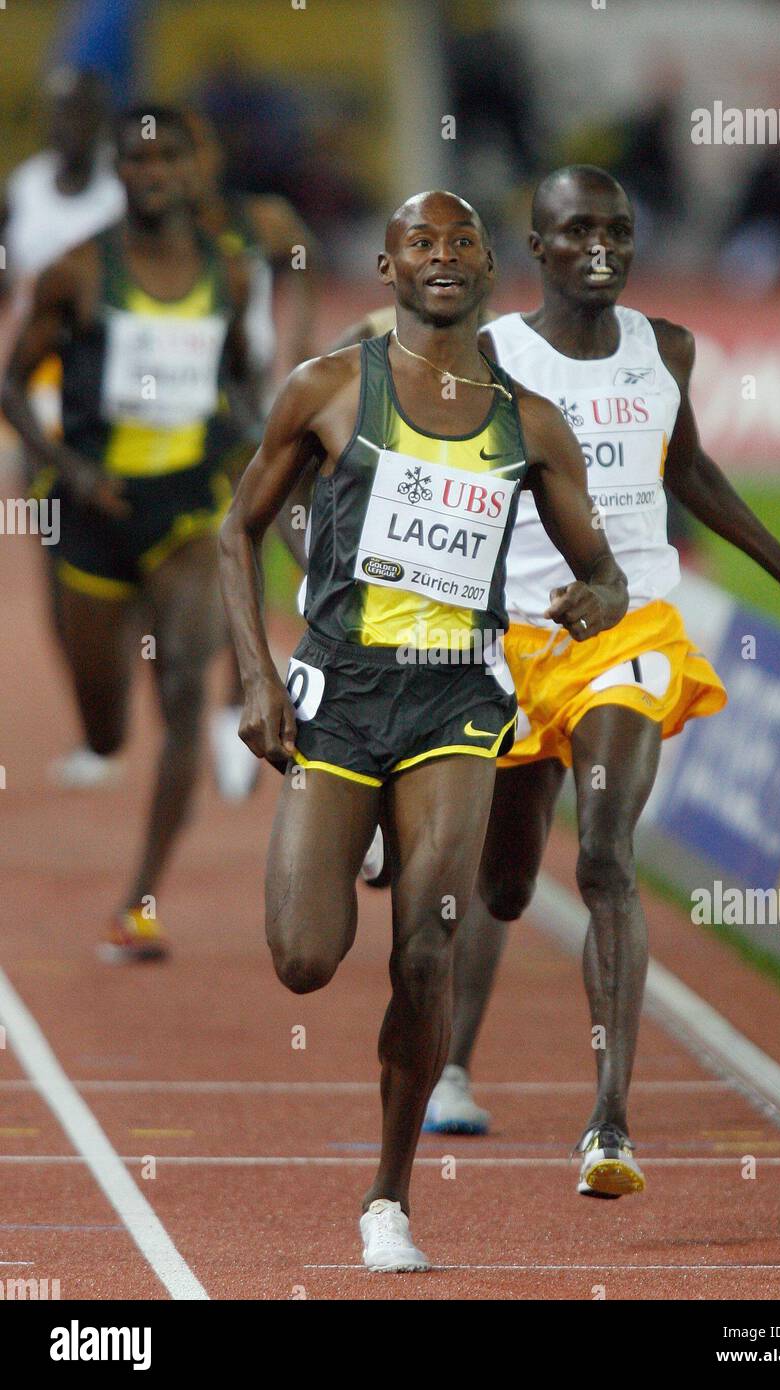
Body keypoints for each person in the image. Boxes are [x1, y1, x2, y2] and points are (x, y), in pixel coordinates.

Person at [424, 166, 780, 1201]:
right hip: (513, 643)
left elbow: (692, 470)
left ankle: (609, 1122)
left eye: (617, 230)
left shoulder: (666, 346)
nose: (601, 246)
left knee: (606, 856)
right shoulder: (492, 356)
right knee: (499, 884)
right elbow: (448, 491)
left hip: (633, 628)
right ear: (534, 249)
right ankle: (453, 1044)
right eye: (576, 230)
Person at [218, 190, 628, 1270]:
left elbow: (603, 571)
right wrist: (255, 679)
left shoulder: (529, 420)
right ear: (388, 270)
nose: (441, 257)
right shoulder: (326, 391)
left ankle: (388, 1199)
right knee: (305, 959)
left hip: (456, 700)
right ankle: (375, 840)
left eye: (460, 243)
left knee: (428, 942)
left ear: (490, 269)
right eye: (418, 244)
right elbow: (237, 532)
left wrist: (595, 602)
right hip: (343, 691)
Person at [2, 105, 252, 962]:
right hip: (91, 514)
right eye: (136, 158)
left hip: (185, 508)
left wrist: (264, 453)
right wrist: (67, 470)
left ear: (193, 167)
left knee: (186, 681)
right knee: (107, 731)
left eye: (166, 157)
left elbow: (241, 383)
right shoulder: (76, 272)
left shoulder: (230, 271)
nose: (151, 172)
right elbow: (11, 385)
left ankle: (140, 898)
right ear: (119, 170)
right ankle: (119, 683)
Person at [184, 111, 317, 801]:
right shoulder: (154, 231)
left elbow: (304, 250)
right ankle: (235, 698)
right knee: (217, 562)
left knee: (292, 539)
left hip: (254, 401)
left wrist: (297, 338)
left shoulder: (257, 218)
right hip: (179, 417)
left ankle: (306, 680)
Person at [0, 68, 126, 788]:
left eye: (78, 113)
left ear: (98, 118)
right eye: (54, 114)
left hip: (117, 412)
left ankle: (184, 703)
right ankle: (93, 730)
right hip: (40, 417)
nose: (65, 127)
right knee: (58, 579)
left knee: (131, 572)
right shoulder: (24, 188)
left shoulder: (124, 194)